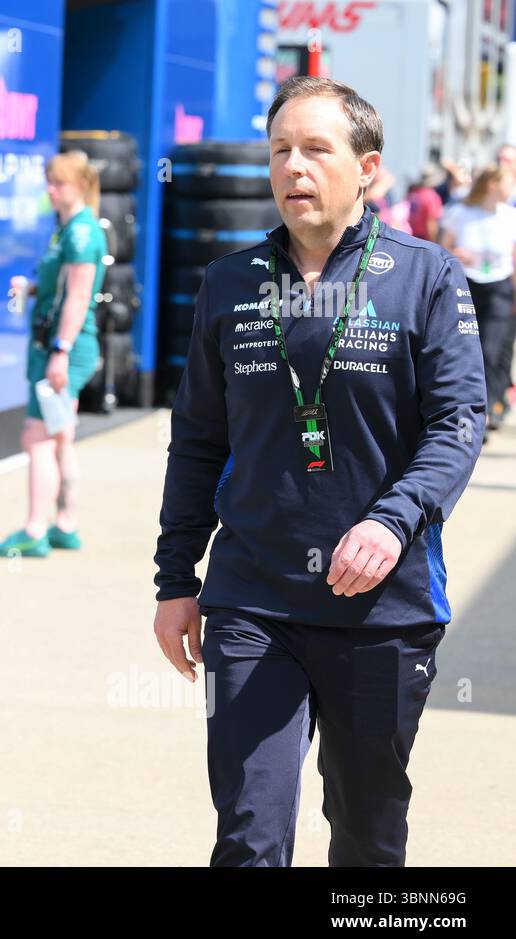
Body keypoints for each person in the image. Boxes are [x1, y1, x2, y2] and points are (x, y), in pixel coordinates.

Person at [153, 76, 485, 867]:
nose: (292, 167)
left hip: (383, 609)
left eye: (315, 150)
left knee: (368, 834)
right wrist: (174, 579)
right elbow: (198, 438)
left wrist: (392, 518)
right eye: (279, 151)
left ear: (367, 168)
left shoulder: (426, 278)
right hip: (252, 600)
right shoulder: (230, 284)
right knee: (249, 835)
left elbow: (458, 424)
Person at [0, 150, 106, 557]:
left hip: (62, 350)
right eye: (50, 182)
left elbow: (78, 297)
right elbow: (63, 289)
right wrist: (34, 289)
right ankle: (65, 524)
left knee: (37, 438)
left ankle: (35, 530)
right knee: (60, 438)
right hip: (57, 346)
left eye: (59, 183)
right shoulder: (68, 229)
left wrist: (60, 351)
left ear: (80, 186)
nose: (51, 190)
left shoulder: (82, 234)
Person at [439, 165, 516, 430]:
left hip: (499, 286)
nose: (512, 187)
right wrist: (456, 253)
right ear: (492, 184)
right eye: (508, 181)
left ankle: (488, 408)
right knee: (466, 347)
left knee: (491, 350)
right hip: (466, 284)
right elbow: (441, 250)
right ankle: (464, 406)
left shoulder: (510, 216)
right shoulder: (460, 213)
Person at [405, 166, 443, 241]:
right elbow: (431, 222)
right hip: (424, 239)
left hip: (411, 236)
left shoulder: (415, 194)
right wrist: (433, 242)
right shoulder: (431, 196)